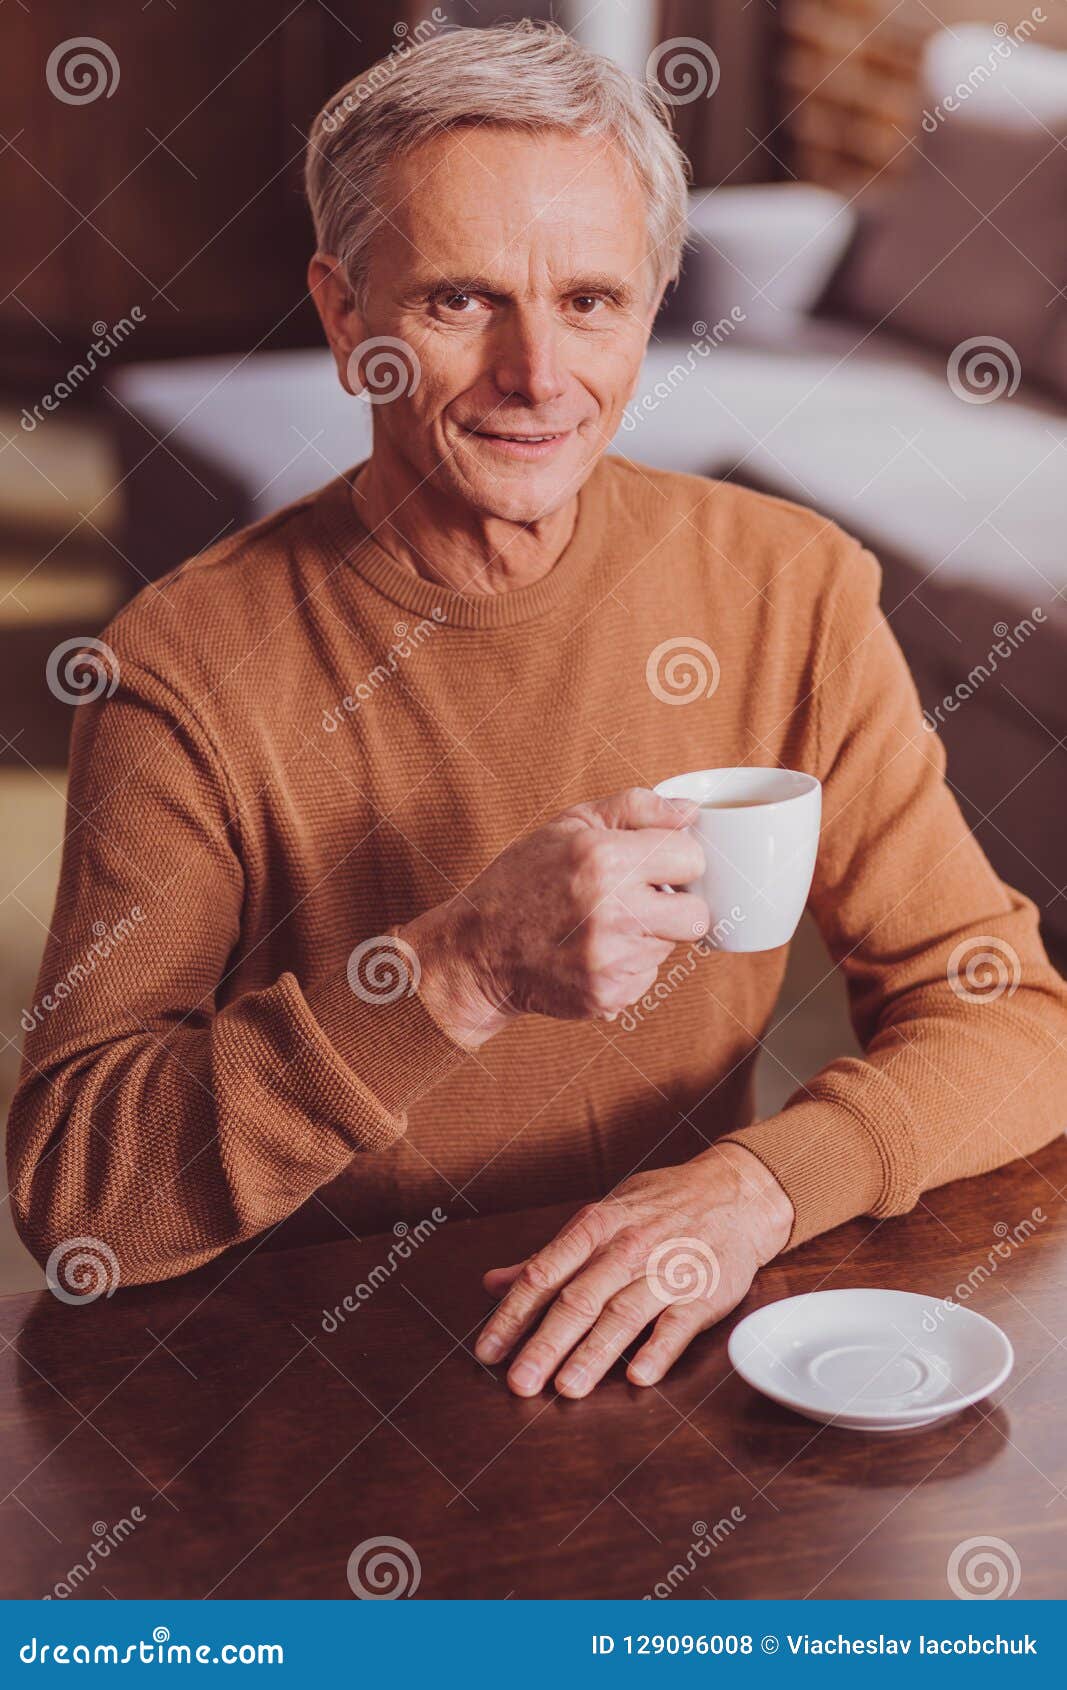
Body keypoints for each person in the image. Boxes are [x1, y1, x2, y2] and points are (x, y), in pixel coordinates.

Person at [9, 23, 1066, 1401]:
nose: (539, 374)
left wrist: (758, 1186)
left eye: (591, 300)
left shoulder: (792, 585)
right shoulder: (183, 660)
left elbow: (1010, 1014)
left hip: (647, 1361)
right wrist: (457, 971)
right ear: (346, 318)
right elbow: (79, 1198)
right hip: (307, 1380)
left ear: (656, 304)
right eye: (462, 301)